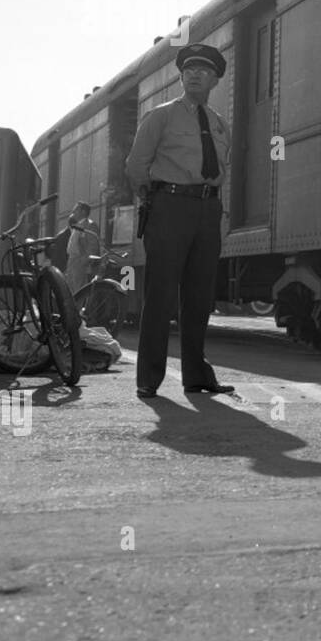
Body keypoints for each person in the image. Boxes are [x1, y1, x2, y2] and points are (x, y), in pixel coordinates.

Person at [124, 43, 235, 398]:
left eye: (203, 70)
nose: (194, 74)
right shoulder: (161, 116)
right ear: (182, 76)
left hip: (206, 210)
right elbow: (136, 164)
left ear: (215, 79)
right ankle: (149, 379)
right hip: (169, 206)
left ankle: (197, 376)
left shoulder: (219, 124)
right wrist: (151, 200)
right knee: (160, 295)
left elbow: (222, 167)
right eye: (189, 69)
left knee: (200, 297)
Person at [64, 201, 100, 293]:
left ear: (83, 212)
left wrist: (84, 261)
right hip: (72, 261)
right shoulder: (77, 226)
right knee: (70, 289)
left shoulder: (90, 225)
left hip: (81, 262)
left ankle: (79, 307)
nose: (73, 212)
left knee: (79, 290)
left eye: (76, 210)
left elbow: (93, 246)